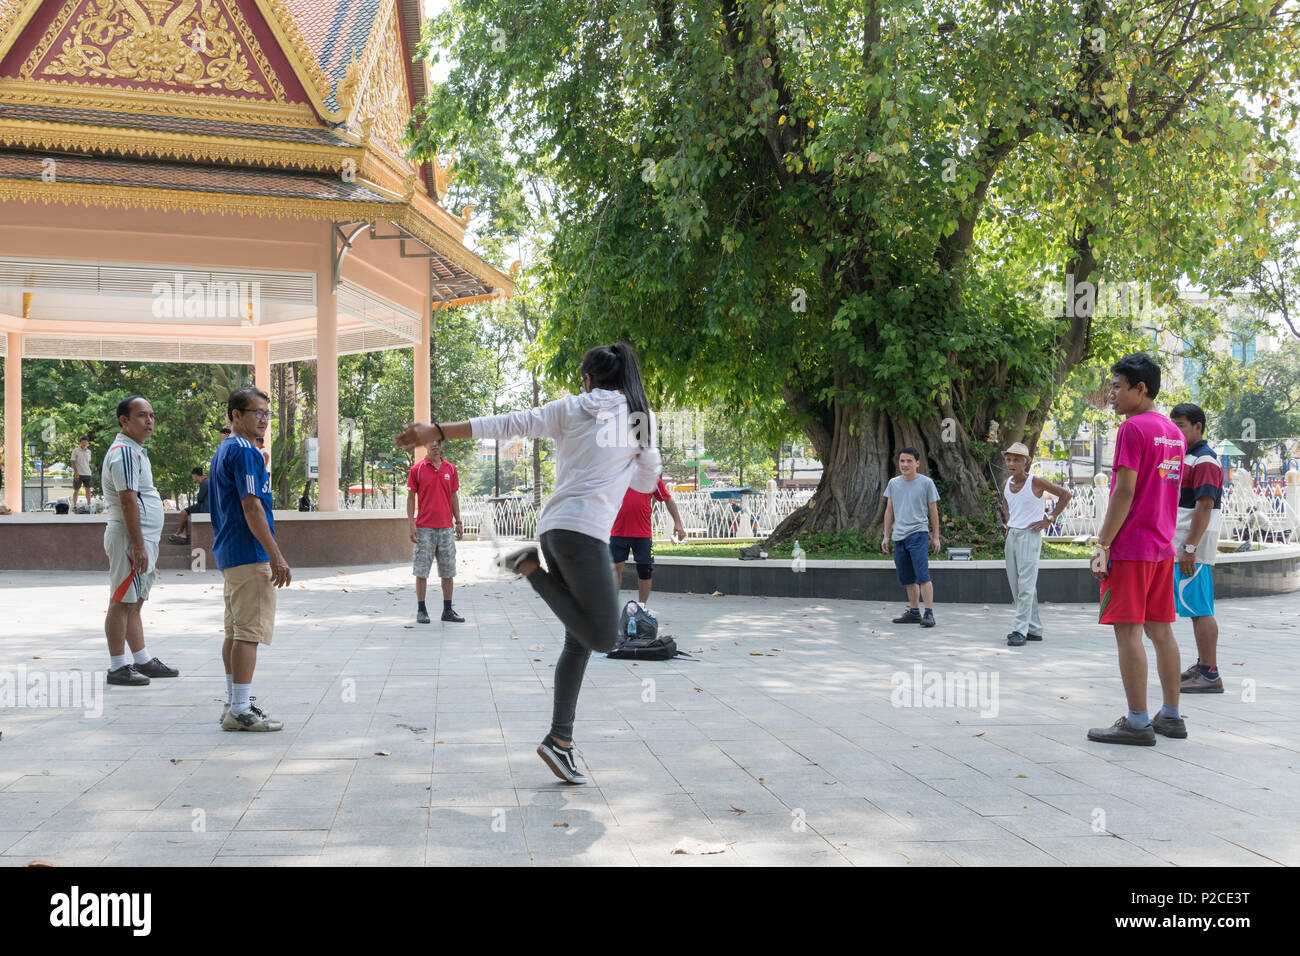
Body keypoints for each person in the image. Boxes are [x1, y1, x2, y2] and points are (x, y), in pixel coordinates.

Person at [396, 342, 661, 785]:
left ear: (589, 379)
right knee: (603, 636)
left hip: (555, 529)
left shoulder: (570, 408)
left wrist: (437, 430)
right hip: (585, 536)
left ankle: (560, 743)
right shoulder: (637, 419)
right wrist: (625, 466)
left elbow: (507, 423)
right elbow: (648, 478)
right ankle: (528, 568)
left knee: (578, 640)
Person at [1087, 353, 1186, 746]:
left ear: (1140, 389)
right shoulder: (1174, 433)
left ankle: (1138, 722)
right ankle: (1172, 717)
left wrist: (1103, 544)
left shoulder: (1132, 428)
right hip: (1162, 547)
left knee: (1127, 632)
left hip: (1131, 547)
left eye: (1117, 386)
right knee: (1161, 631)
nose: (1110, 394)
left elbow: (1125, 490)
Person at [210, 387, 291, 732]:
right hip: (249, 552)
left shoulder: (225, 449)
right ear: (235, 415)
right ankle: (241, 710)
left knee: (235, 630)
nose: (262, 419)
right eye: (255, 412)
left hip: (230, 553)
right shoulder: (244, 451)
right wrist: (276, 555)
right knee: (248, 633)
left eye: (266, 413)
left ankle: (234, 701)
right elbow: (251, 505)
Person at [101, 396, 179, 686]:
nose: (149, 421)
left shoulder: (136, 451)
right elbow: (127, 500)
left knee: (135, 601)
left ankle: (142, 660)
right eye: (142, 415)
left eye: (152, 415)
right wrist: (137, 545)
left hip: (143, 539)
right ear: (124, 421)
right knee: (121, 601)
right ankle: (117, 666)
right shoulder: (123, 452)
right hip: (130, 539)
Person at [1169, 403, 1224, 694]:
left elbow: (1205, 506)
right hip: (1183, 545)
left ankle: (1210, 673)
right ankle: (1203, 665)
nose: (1175, 432)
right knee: (1194, 607)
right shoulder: (1187, 457)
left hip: (1193, 549)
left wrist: (1190, 547)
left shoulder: (1205, 460)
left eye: (1181, 426)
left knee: (1200, 608)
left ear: (1198, 427)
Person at [1001, 442, 1072, 646]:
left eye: (1016, 459)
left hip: (1030, 535)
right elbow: (1007, 503)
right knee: (1017, 583)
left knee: (1026, 584)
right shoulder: (1007, 483)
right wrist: (1008, 520)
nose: (1011, 463)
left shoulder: (1036, 481)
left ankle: (1019, 629)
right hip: (1013, 535)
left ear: (1026, 462)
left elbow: (1065, 495)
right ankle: (1034, 628)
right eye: (1008, 459)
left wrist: (1049, 519)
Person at [406, 435, 464, 623]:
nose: (435, 445)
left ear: (442, 445)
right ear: (425, 444)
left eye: (438, 442)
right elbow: (410, 498)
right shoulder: (417, 470)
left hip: (446, 528)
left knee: (448, 571)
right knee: (421, 571)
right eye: (431, 441)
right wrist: (411, 523)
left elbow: (454, 496)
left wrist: (459, 521)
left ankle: (448, 610)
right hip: (424, 529)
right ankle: (421, 610)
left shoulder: (451, 469)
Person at [881, 447, 941, 628]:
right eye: (902, 461)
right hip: (899, 536)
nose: (905, 464)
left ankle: (929, 613)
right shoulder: (893, 483)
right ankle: (914, 612)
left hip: (918, 534)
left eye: (909, 461)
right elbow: (889, 509)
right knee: (907, 577)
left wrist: (936, 536)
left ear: (917, 463)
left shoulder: (926, 483)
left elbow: (933, 510)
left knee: (923, 575)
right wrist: (886, 535)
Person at [609, 475, 686, 604]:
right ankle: (611, 606)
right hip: (618, 531)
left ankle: (642, 607)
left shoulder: (651, 477)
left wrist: (678, 523)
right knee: (614, 568)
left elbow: (668, 499)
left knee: (645, 570)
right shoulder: (615, 474)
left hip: (643, 533)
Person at [168, 467, 209, 544]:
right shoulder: (207, 481)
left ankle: (178, 532)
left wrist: (198, 495)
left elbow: (200, 498)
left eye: (192, 476)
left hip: (204, 507)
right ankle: (184, 534)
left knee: (183, 512)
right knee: (185, 512)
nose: (192, 477)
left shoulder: (204, 483)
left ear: (195, 475)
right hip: (205, 506)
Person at [71, 437, 93, 509]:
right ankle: (74, 505)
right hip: (79, 474)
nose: (84, 444)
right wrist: (76, 473)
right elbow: (73, 462)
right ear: (80, 443)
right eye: (83, 442)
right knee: (76, 490)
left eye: (86, 442)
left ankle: (89, 505)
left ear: (87, 443)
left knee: (88, 490)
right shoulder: (75, 451)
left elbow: (88, 462)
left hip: (87, 473)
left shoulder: (89, 451)